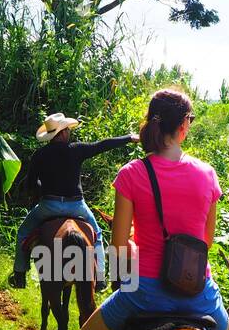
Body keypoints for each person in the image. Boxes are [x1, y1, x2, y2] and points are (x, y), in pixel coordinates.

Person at [52, 88, 229, 330]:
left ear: (152, 124)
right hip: (198, 292)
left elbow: (119, 248)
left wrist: (137, 256)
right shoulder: (206, 175)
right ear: (184, 126)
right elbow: (206, 242)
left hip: (144, 293)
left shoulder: (132, 175)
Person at [8, 113, 137, 289]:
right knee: (97, 235)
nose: (69, 132)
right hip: (76, 207)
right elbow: (102, 145)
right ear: (61, 133)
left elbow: (31, 183)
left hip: (48, 206)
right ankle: (99, 280)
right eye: (67, 129)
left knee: (23, 232)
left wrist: (42, 187)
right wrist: (129, 138)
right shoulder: (76, 149)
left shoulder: (39, 155)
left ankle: (20, 275)